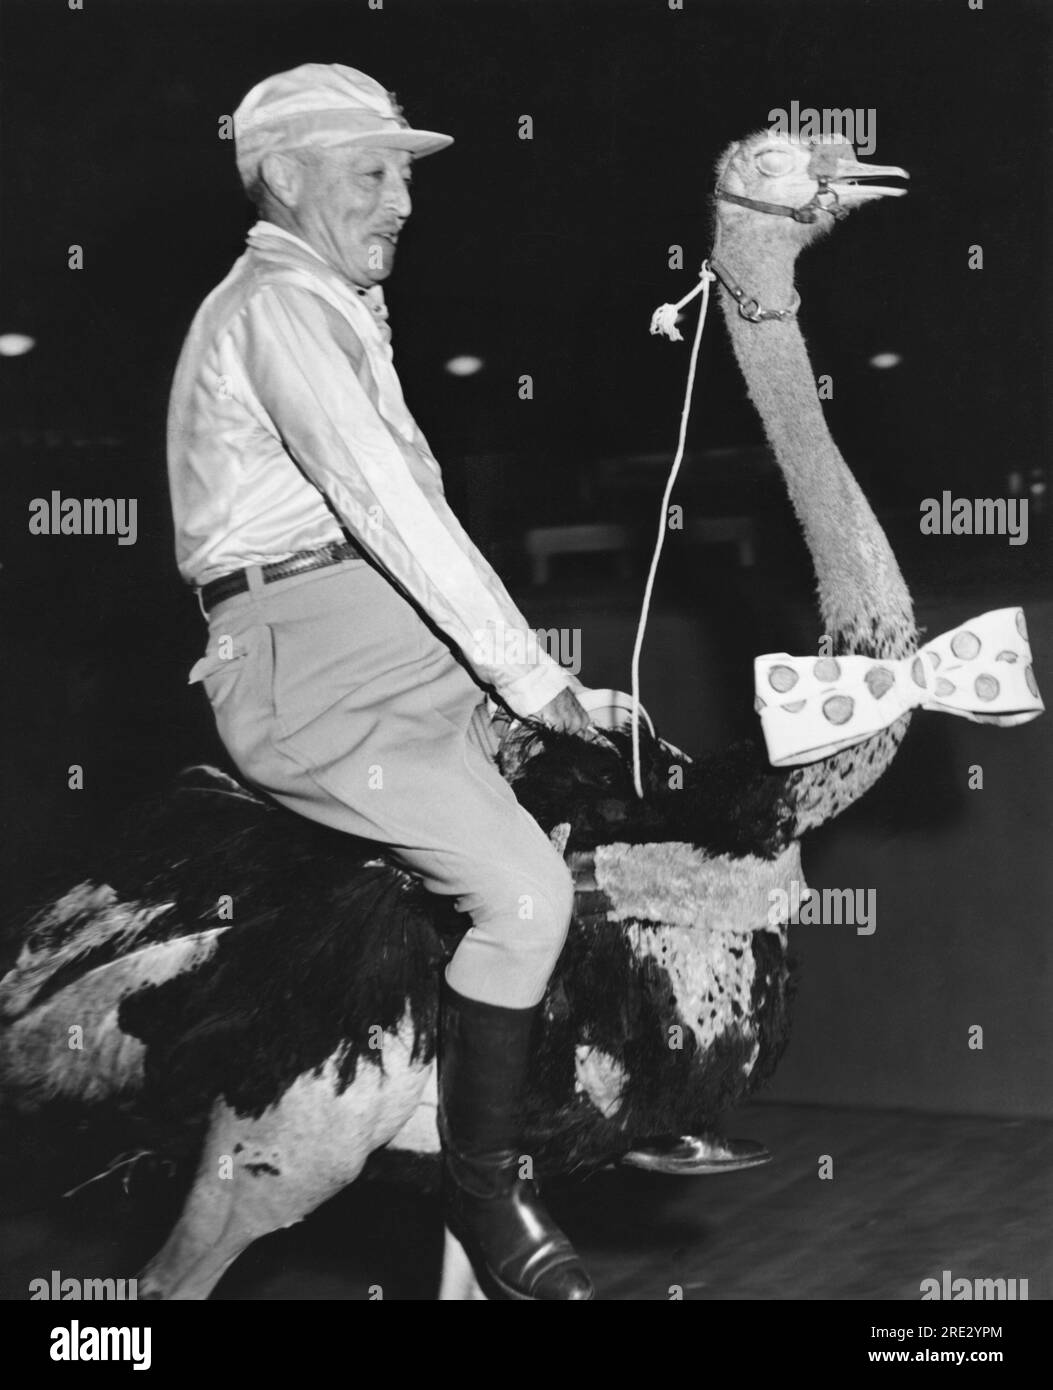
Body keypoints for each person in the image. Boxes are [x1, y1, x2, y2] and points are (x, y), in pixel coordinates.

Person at [167, 62, 594, 1301]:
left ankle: (559, 1114)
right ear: (285, 180)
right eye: (375, 171)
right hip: (313, 662)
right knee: (522, 895)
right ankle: (485, 1183)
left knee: (610, 798)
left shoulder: (329, 301)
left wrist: (544, 693)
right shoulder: (276, 309)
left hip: (387, 638)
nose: (405, 199)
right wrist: (526, 676)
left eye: (405, 172)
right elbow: (388, 505)